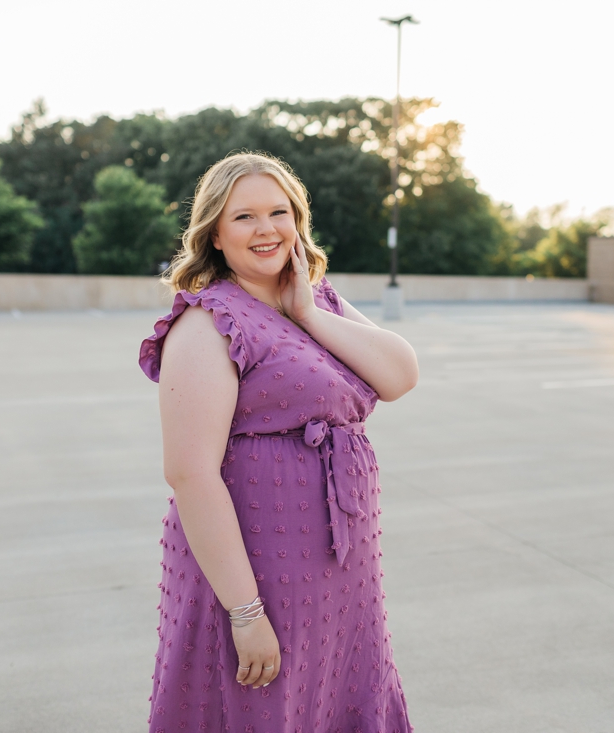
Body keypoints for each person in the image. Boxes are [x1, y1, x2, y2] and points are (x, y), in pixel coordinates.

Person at [138, 152, 418, 733]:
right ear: (214, 232)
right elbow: (190, 474)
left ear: (298, 219)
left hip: (341, 567)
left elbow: (400, 374)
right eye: (244, 217)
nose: (266, 229)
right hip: (258, 565)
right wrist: (245, 613)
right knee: (262, 706)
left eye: (278, 211)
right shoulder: (205, 322)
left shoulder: (316, 298)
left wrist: (308, 314)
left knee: (338, 694)